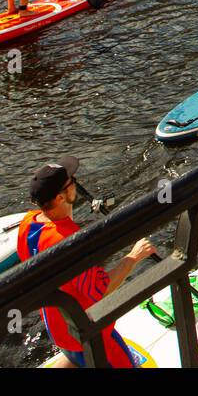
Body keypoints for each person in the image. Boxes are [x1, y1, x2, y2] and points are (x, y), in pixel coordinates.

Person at [17, 156, 155, 368]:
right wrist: (133, 257)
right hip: (86, 330)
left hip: (57, 327)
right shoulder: (70, 242)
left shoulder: (28, 223)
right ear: (61, 198)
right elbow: (101, 289)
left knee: (74, 355)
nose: (76, 182)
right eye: (72, 181)